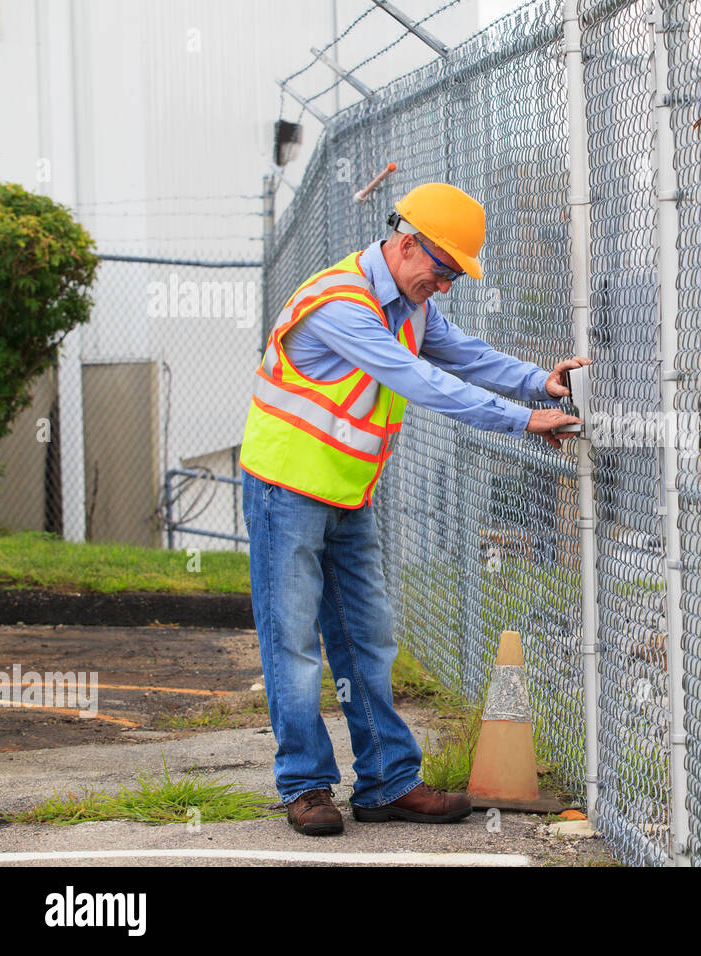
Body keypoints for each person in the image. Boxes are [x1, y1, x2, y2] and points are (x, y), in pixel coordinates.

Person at [238, 182, 585, 835]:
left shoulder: (410, 305)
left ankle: (387, 783)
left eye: (456, 274)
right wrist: (521, 420)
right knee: (292, 644)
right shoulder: (341, 305)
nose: (446, 285)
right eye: (443, 269)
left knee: (366, 638)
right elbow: (421, 382)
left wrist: (540, 381)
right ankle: (307, 787)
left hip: (345, 493)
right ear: (404, 245)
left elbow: (466, 355)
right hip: (286, 490)